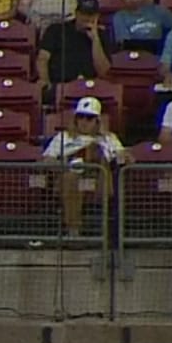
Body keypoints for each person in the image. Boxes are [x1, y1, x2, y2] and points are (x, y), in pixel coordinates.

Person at [43, 97, 129, 239]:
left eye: (89, 118)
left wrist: (116, 156)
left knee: (97, 153)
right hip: (70, 176)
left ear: (97, 121)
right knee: (71, 178)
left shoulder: (109, 138)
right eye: (80, 117)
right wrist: (65, 163)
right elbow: (47, 159)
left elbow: (123, 156)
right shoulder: (64, 137)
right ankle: (73, 231)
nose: (84, 121)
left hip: (99, 177)